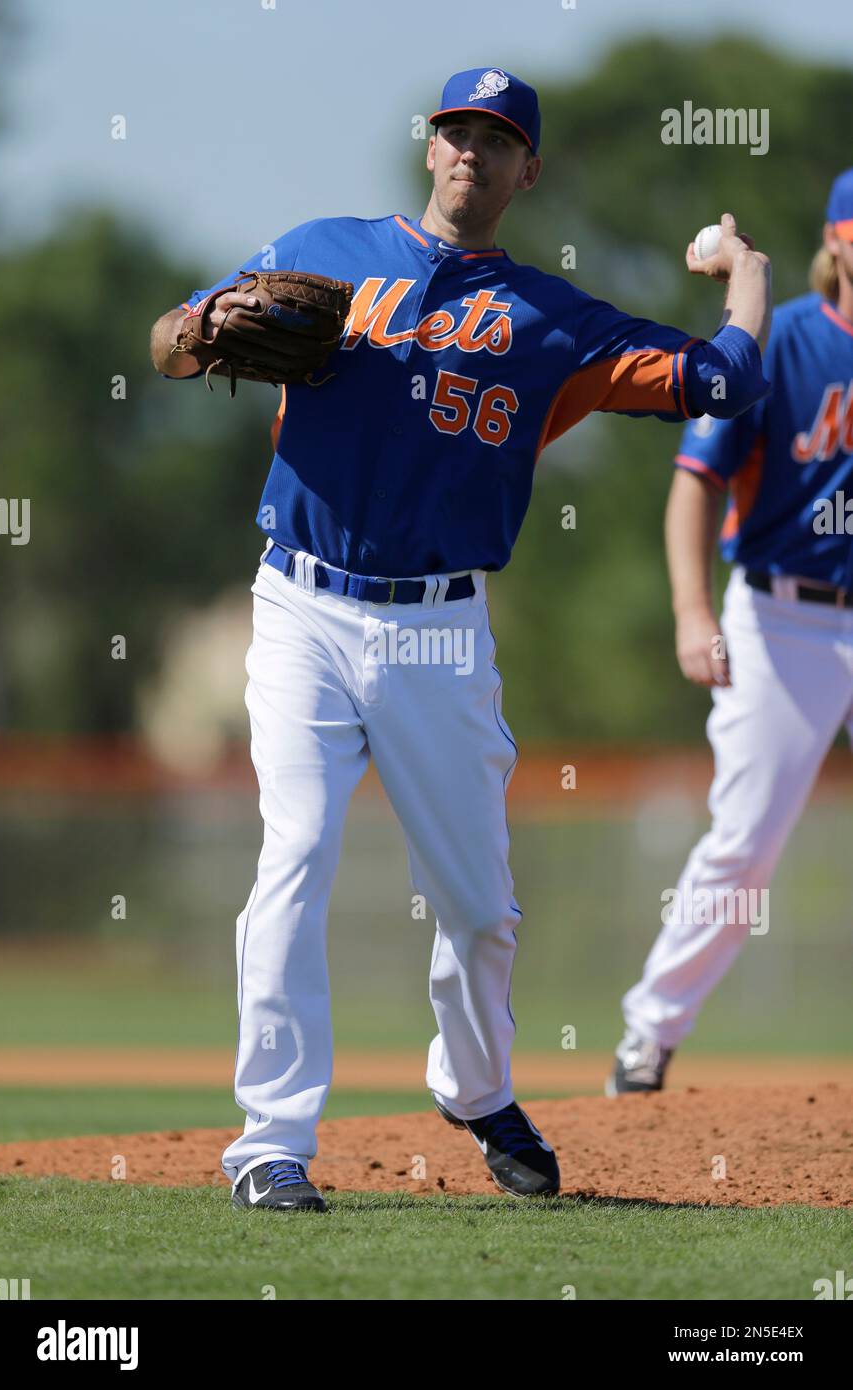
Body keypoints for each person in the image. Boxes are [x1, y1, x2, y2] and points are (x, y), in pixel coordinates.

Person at [150, 67, 771, 1210]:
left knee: (480, 905)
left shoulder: (551, 320)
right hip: (299, 604)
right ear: (427, 146)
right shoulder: (323, 247)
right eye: (455, 132)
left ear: (525, 170)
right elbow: (170, 346)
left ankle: (475, 1087)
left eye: (496, 139)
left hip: (439, 629)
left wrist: (745, 281)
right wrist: (193, 326)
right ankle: (272, 1143)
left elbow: (720, 382)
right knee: (294, 856)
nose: (469, 153)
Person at [607, 169, 853, 1096]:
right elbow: (695, 482)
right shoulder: (788, 341)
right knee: (747, 841)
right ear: (837, 244)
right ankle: (649, 1035)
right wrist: (692, 610)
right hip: (784, 618)